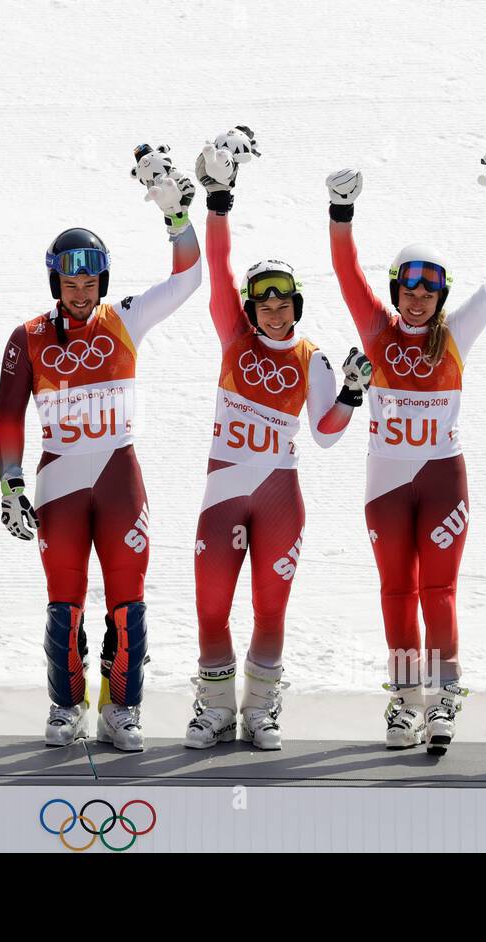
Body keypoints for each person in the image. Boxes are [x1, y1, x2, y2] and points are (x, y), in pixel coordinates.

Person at [325, 146, 486, 754]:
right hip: (387, 488)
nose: (417, 299)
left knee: (438, 592)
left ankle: (446, 694)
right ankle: (405, 701)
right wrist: (341, 212)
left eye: (430, 289)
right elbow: (346, 274)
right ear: (396, 291)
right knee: (396, 591)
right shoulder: (377, 330)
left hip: (443, 481)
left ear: (442, 296)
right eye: (408, 288)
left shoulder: (456, 334)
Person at [0, 143, 201, 752]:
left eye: (90, 282)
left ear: (103, 282)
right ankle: (66, 706)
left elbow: (189, 277)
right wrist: (9, 483)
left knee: (126, 602)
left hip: (118, 476)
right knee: (65, 603)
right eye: (70, 282)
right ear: (54, 280)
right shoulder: (27, 336)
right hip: (58, 482)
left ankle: (123, 707)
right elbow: (8, 417)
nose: (81, 293)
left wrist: (177, 218)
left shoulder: (126, 318)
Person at [185, 130, 370, 751]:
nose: (271, 311)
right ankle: (214, 710)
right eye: (261, 301)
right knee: (212, 604)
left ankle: (260, 710)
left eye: (282, 300)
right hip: (223, 493)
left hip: (278, 498)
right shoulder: (233, 336)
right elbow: (218, 269)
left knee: (269, 610)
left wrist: (348, 394)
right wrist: (218, 199)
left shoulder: (313, 358)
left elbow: (324, 436)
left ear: (295, 303)